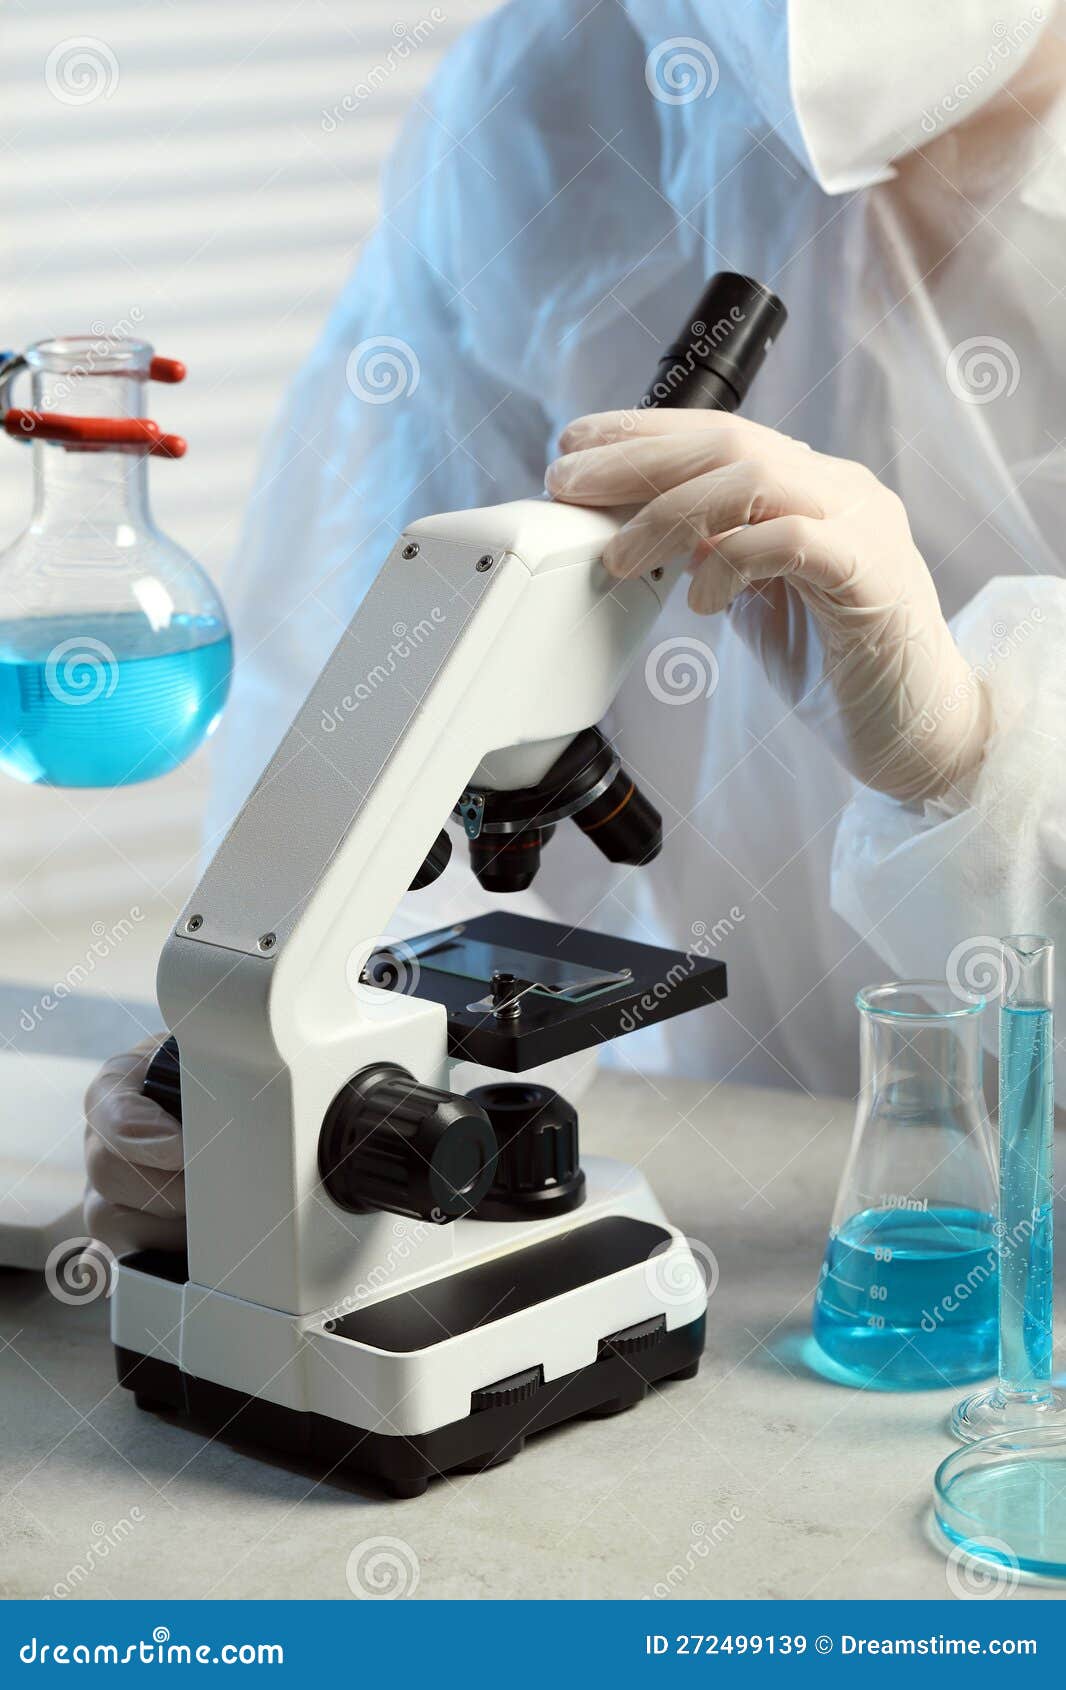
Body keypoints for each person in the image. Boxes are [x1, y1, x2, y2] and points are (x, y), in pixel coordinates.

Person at [85, 1, 1066, 1252]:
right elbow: (352, 682)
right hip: (731, 1150)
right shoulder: (559, 94)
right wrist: (258, 1052)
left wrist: (967, 755)